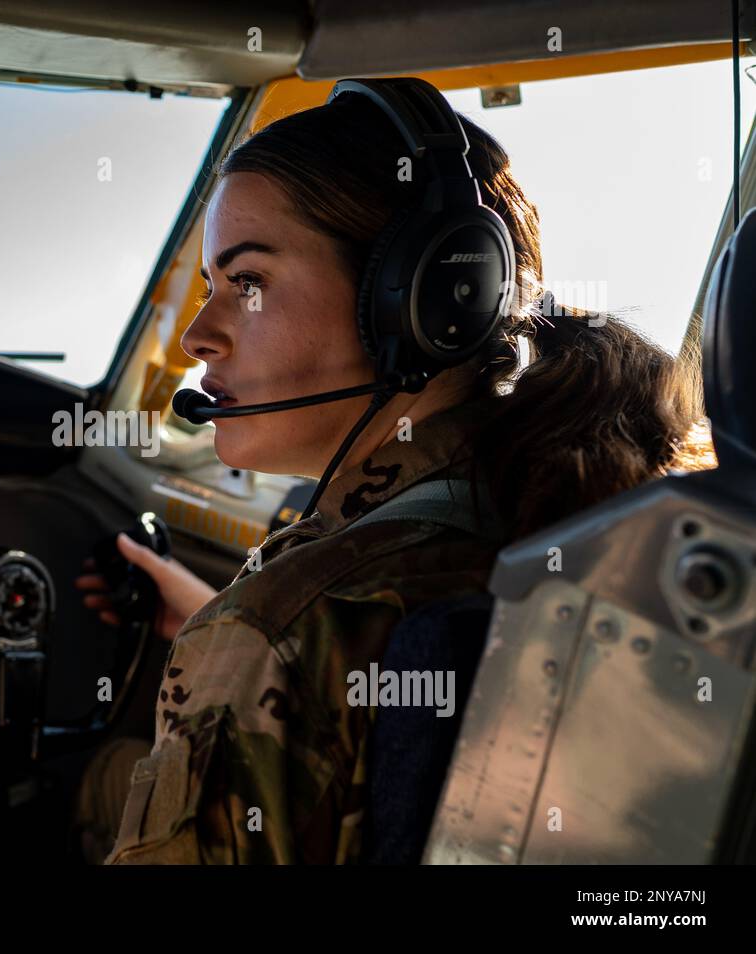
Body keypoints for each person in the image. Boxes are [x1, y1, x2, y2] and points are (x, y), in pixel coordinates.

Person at [73, 87, 714, 864]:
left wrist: (248, 639)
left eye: (246, 284)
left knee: (89, 780)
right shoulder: (605, 510)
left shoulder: (277, 629)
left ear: (419, 296)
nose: (195, 336)